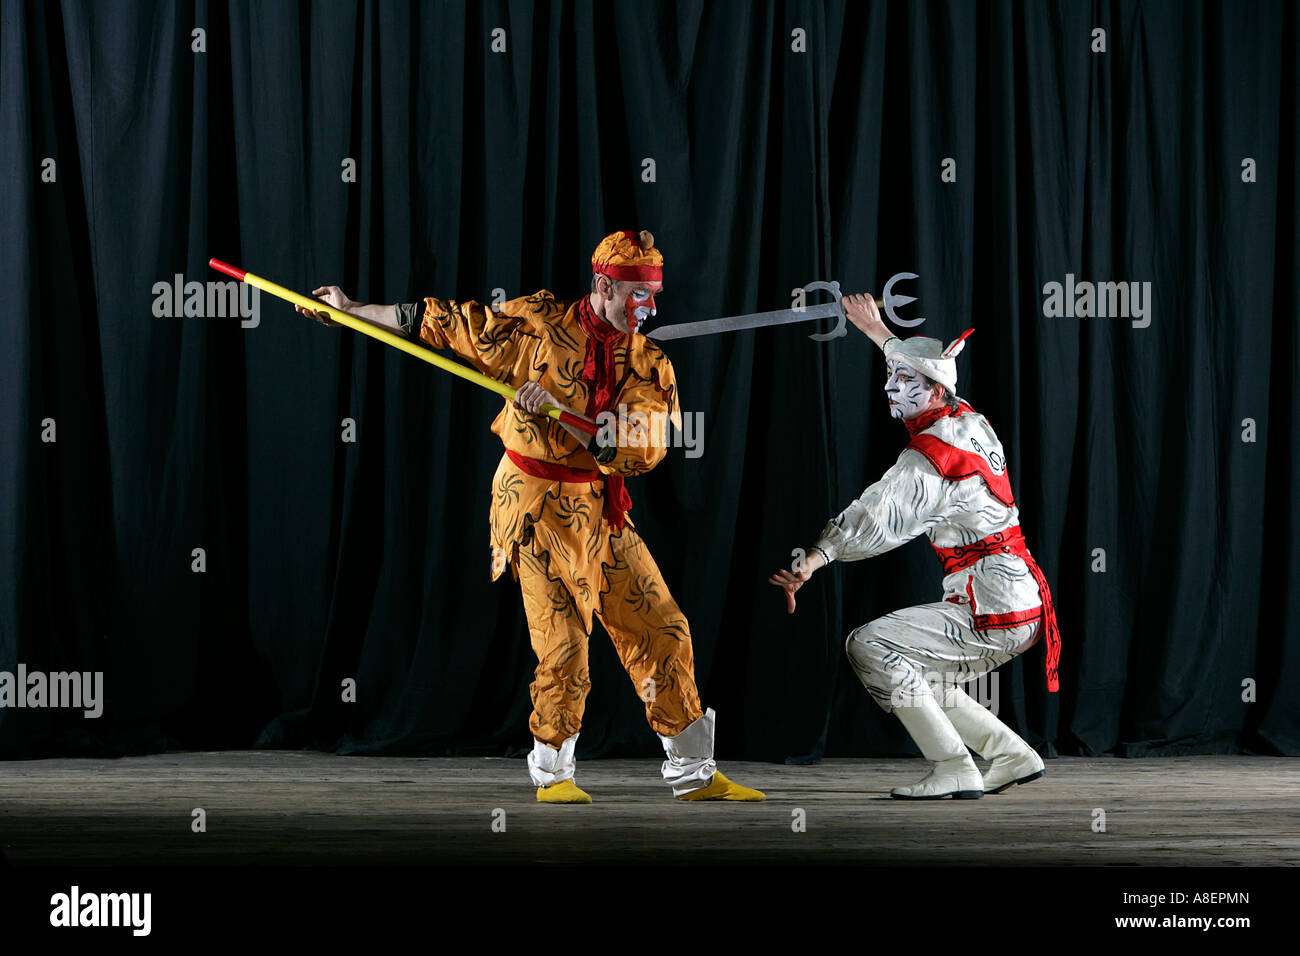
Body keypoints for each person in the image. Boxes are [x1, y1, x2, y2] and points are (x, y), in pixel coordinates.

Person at [298, 230, 764, 803]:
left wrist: (563, 413)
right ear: (603, 286)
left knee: (662, 630)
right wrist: (351, 310)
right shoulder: (536, 329)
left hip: (600, 508)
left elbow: (643, 448)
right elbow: (447, 322)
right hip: (534, 505)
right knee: (564, 645)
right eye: (637, 297)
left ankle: (694, 774)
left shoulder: (650, 363)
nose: (649, 310)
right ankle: (553, 775)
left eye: (654, 299)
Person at [769, 293, 1060, 799]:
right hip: (1018, 598)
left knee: (870, 645)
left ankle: (953, 767)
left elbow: (878, 514)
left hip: (994, 602)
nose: (891, 388)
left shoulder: (931, 458)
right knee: (919, 669)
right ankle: (1012, 755)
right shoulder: (968, 419)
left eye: (906, 383)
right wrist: (876, 331)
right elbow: (924, 367)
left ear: (936, 391)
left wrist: (815, 558)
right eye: (890, 377)